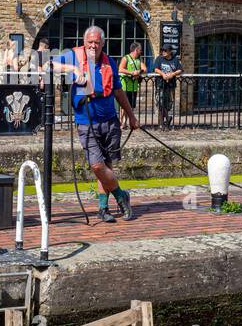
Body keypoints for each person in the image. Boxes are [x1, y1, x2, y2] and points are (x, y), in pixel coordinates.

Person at [53, 25, 139, 224]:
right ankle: (120, 195)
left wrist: (131, 116)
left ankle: (103, 208)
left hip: (109, 120)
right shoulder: (74, 56)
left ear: (102, 43)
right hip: (86, 122)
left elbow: (118, 91)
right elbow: (46, 65)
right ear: (84, 42)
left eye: (97, 42)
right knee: (97, 165)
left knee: (107, 165)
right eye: (90, 42)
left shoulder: (109, 61)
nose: (93, 45)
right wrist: (74, 69)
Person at [152, 45, 183, 130]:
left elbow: (180, 69)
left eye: (165, 50)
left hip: (170, 85)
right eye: (162, 50)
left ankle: (162, 124)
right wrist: (163, 74)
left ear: (170, 51)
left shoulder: (175, 59)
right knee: (160, 102)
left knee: (167, 104)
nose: (163, 52)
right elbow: (155, 69)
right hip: (160, 84)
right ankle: (166, 119)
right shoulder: (159, 58)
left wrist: (172, 74)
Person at [119, 42, 146, 125]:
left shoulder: (139, 59)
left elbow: (145, 69)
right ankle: (120, 122)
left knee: (130, 106)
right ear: (136, 50)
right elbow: (120, 69)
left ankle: (125, 122)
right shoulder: (126, 58)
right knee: (123, 106)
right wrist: (132, 73)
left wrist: (139, 72)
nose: (141, 52)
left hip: (134, 86)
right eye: (140, 50)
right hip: (125, 86)